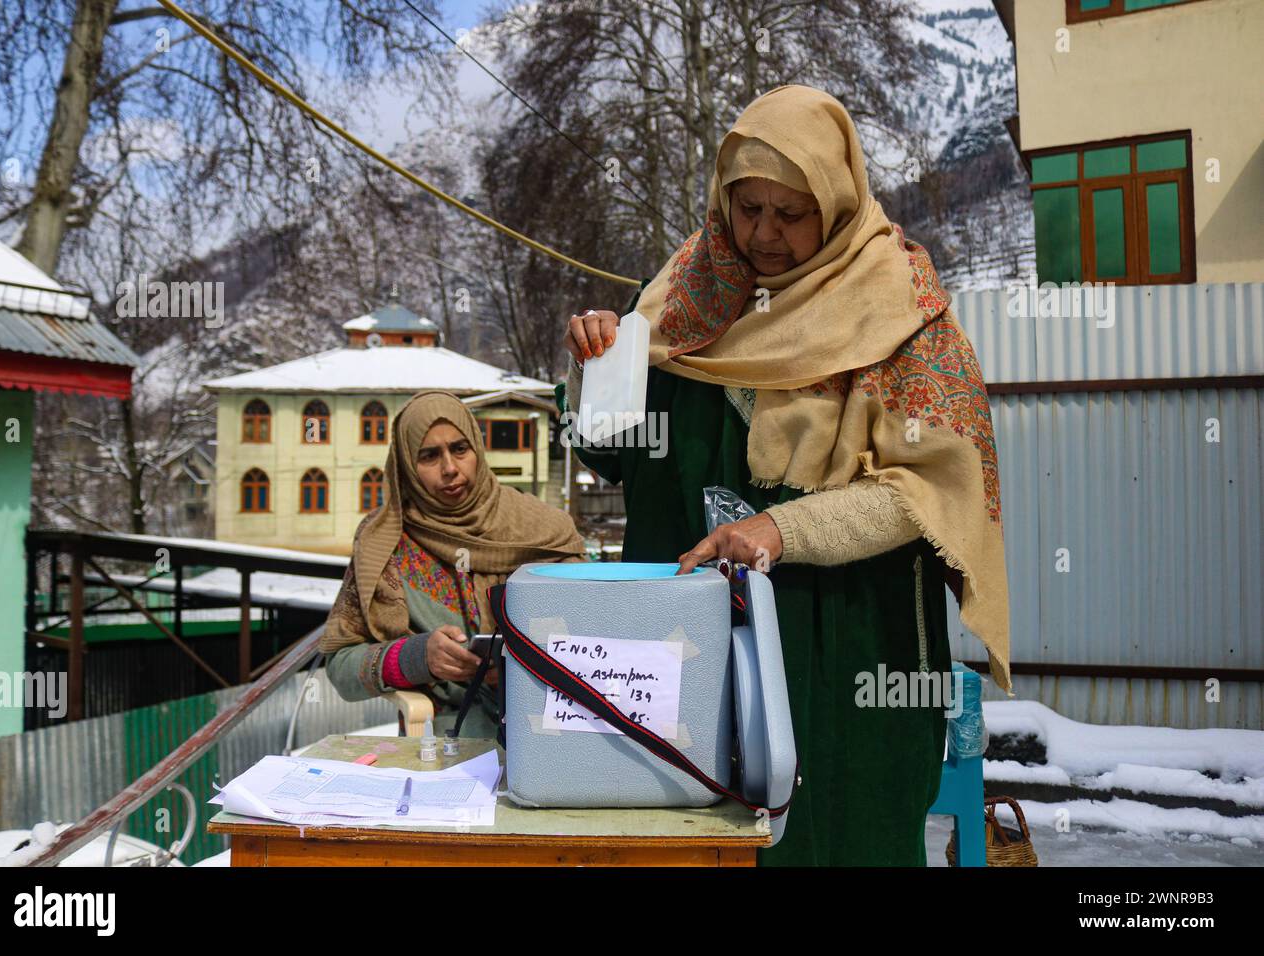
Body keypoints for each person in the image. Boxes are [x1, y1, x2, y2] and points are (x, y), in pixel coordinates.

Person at [557, 85, 1012, 866]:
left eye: (790, 213)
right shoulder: (680, 297)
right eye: (747, 208)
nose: (763, 234)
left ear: (833, 205)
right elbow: (609, 450)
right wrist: (596, 369)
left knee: (837, 840)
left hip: (844, 654)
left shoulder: (900, 312)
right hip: (688, 645)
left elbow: (930, 495)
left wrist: (781, 530)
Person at [319, 389, 588, 737]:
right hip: (451, 739)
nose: (449, 469)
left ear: (477, 448)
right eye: (429, 456)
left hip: (558, 721)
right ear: (406, 466)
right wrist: (415, 658)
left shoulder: (543, 529)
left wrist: (520, 662)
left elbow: (592, 633)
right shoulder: (385, 543)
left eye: (460, 450)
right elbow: (341, 667)